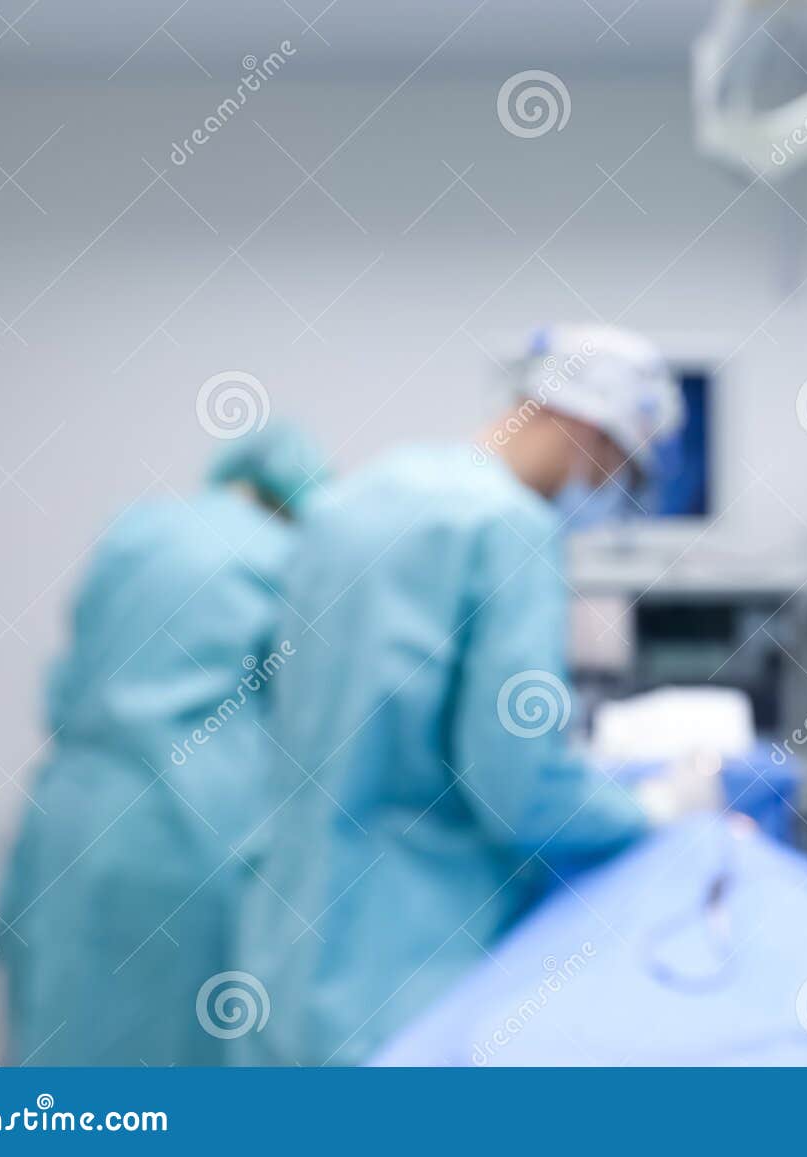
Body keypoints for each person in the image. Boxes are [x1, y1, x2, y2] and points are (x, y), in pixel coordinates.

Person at [232, 325, 720, 1066]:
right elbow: (516, 786)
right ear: (589, 428)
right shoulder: (508, 529)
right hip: (403, 965)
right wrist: (651, 808)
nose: (614, 492)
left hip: (289, 944)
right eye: (624, 468)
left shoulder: (361, 497)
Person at [0, 422, 330, 1064]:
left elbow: (66, 686)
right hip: (194, 836)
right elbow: (306, 717)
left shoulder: (134, 533)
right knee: (173, 1045)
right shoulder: (285, 559)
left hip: (68, 824)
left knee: (65, 1033)